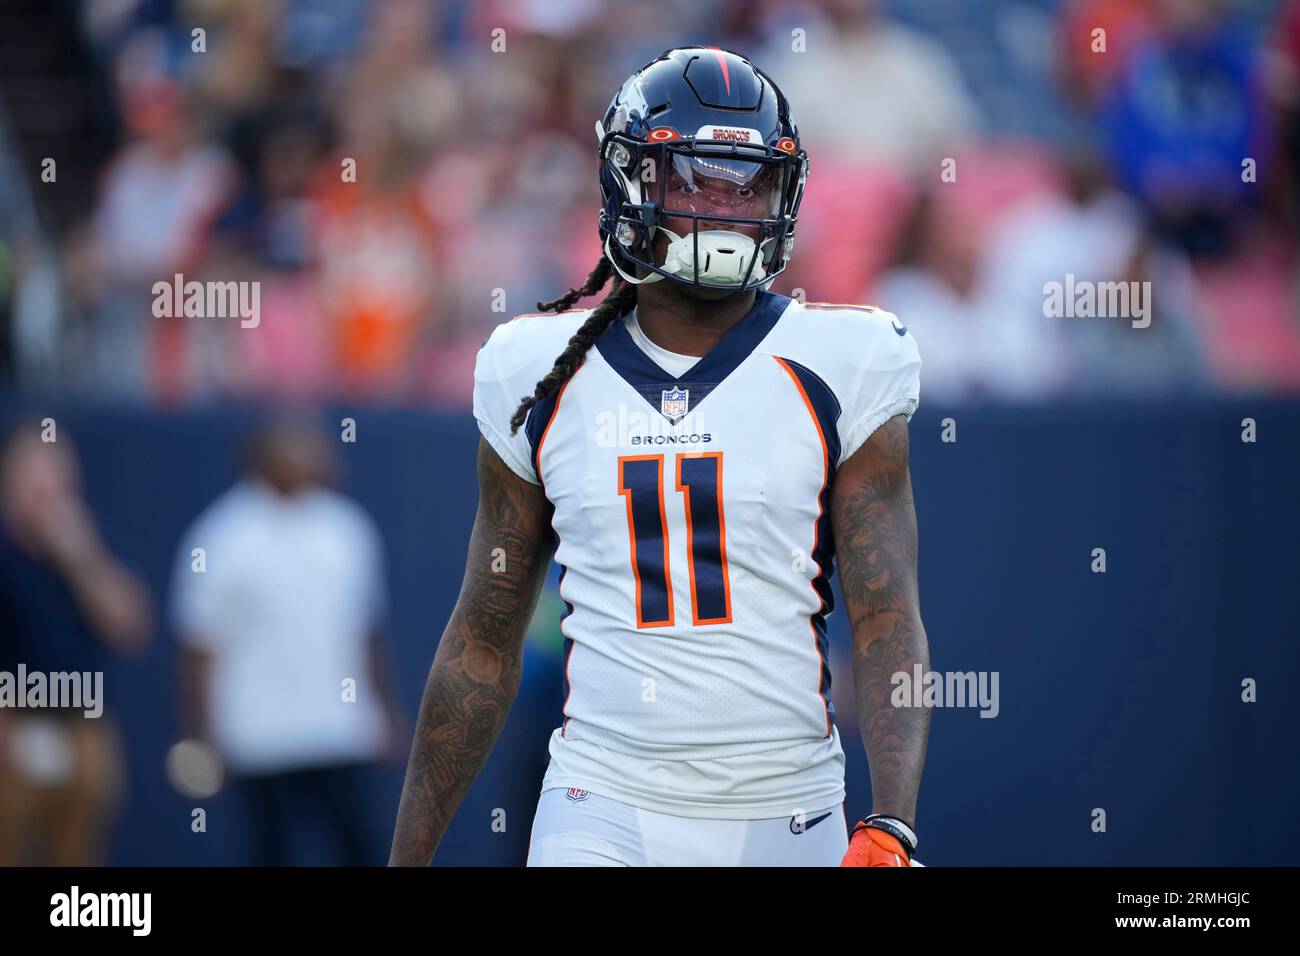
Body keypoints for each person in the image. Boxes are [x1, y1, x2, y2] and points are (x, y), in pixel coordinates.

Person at [390, 47, 930, 867]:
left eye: (747, 184)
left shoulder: (846, 360)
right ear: (631, 183)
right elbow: (482, 641)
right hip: (601, 803)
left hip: (790, 811)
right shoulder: (534, 370)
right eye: (698, 179)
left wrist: (890, 823)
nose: (726, 206)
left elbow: (888, 617)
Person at [172, 416, 402, 865]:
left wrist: (384, 709)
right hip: (258, 740)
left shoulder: (347, 529)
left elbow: (367, 632)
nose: (315, 452)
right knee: (269, 854)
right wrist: (200, 736)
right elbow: (198, 648)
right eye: (299, 442)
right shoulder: (221, 537)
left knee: (360, 849)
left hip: (341, 732)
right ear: (264, 455)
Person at [0, 423, 152, 865]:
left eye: (58, 482)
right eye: (35, 482)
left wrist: (83, 559)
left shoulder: (84, 554)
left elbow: (130, 628)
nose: (48, 495)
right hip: (14, 724)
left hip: (83, 727)